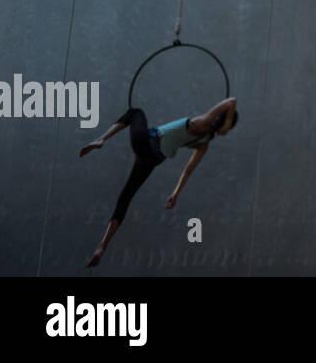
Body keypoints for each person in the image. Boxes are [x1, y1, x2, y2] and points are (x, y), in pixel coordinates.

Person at [79, 97, 238, 266]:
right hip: (153, 159)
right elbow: (187, 171)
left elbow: (231, 101)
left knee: (135, 112)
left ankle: (102, 139)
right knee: (126, 195)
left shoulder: (203, 122)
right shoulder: (204, 141)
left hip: (148, 143)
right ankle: (102, 246)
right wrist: (175, 194)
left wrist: (226, 122)